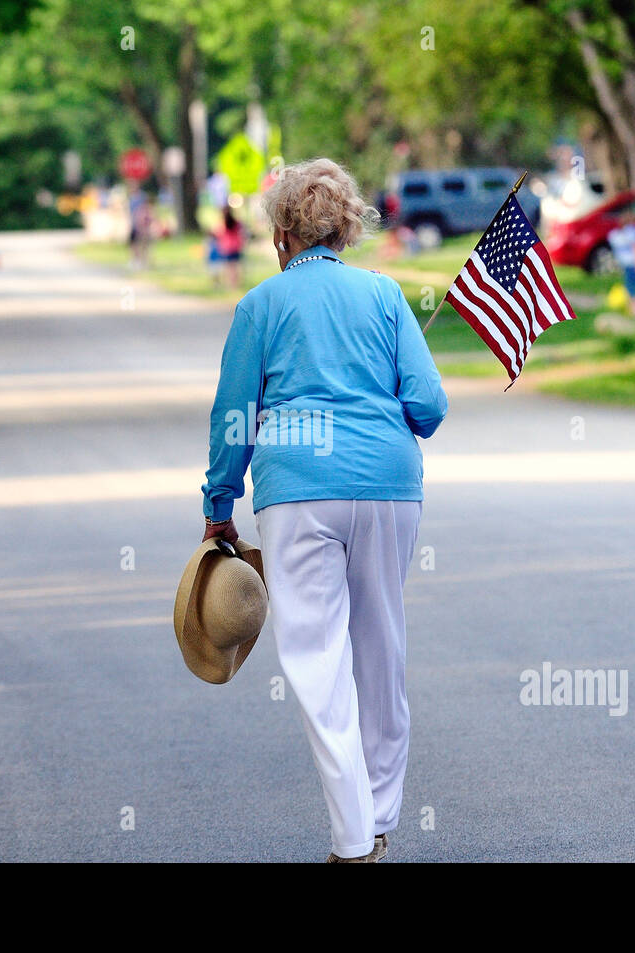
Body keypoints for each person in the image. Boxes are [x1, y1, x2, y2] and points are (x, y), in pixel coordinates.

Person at [201, 158, 448, 862]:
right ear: (347, 227)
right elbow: (428, 406)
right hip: (389, 487)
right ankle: (380, 815)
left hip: (298, 491)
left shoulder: (261, 306)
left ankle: (353, 837)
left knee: (317, 656)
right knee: (381, 647)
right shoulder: (385, 293)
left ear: (282, 233)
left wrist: (220, 503)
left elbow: (233, 418)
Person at [607, 215, 635, 312]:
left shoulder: (614, 235)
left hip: (623, 263)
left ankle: (630, 305)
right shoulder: (633, 232)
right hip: (634, 261)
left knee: (628, 283)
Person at [213, 207, 245, 290]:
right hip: (236, 247)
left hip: (226, 248)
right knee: (235, 267)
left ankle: (230, 285)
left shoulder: (221, 223)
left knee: (228, 267)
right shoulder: (237, 223)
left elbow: (217, 234)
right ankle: (235, 284)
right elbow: (241, 233)